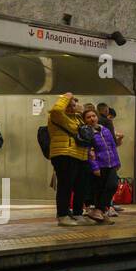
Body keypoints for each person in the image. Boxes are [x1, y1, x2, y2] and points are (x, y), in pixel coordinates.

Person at [48, 92, 91, 226]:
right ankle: (62, 215)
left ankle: (78, 213)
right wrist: (65, 97)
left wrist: (81, 110)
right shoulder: (57, 116)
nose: (72, 107)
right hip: (64, 154)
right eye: (69, 105)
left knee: (81, 186)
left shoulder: (78, 118)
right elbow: (56, 109)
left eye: (74, 105)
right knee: (65, 186)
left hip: (80, 155)